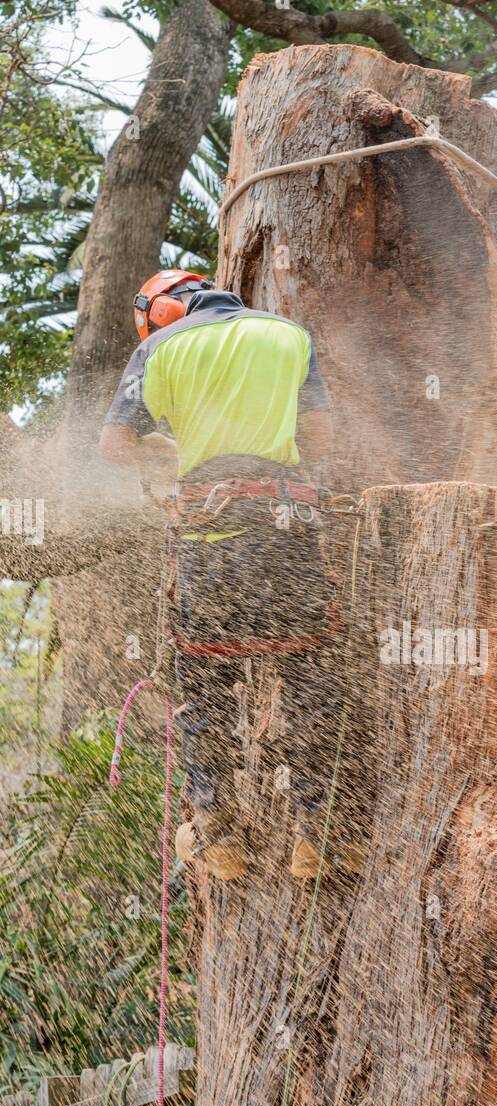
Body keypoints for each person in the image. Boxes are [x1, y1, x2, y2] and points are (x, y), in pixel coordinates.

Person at [100, 269, 362, 882]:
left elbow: (114, 447)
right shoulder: (288, 335)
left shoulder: (158, 347)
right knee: (308, 683)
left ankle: (216, 833)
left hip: (208, 543)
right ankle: (322, 835)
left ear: (163, 311)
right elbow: (318, 440)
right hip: (287, 533)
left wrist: (165, 450)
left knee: (204, 688)